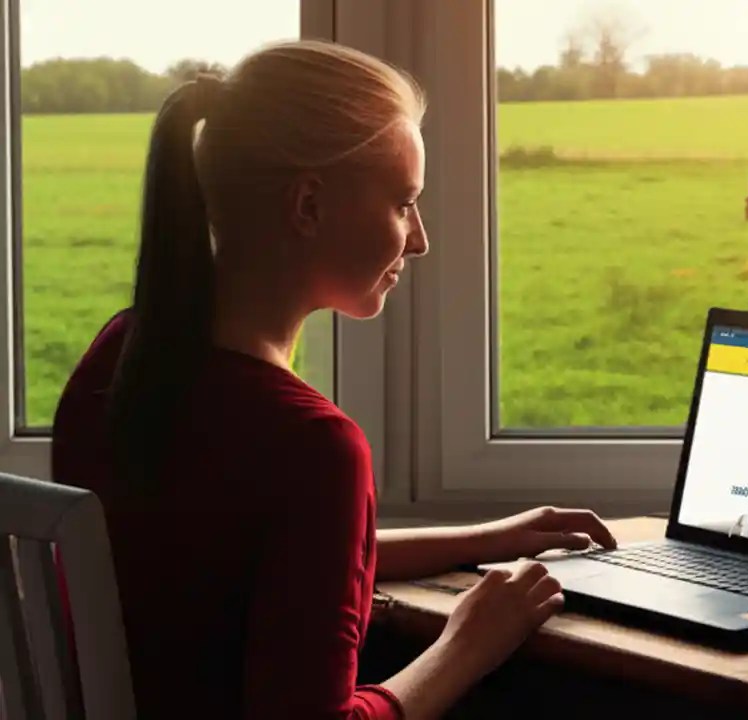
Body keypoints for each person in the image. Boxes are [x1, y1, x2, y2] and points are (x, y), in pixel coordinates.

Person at [50, 39, 616, 720]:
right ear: (309, 206)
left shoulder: (119, 356)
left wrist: (487, 538)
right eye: (404, 202)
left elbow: (249, 558)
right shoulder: (311, 445)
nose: (420, 239)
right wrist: (469, 641)